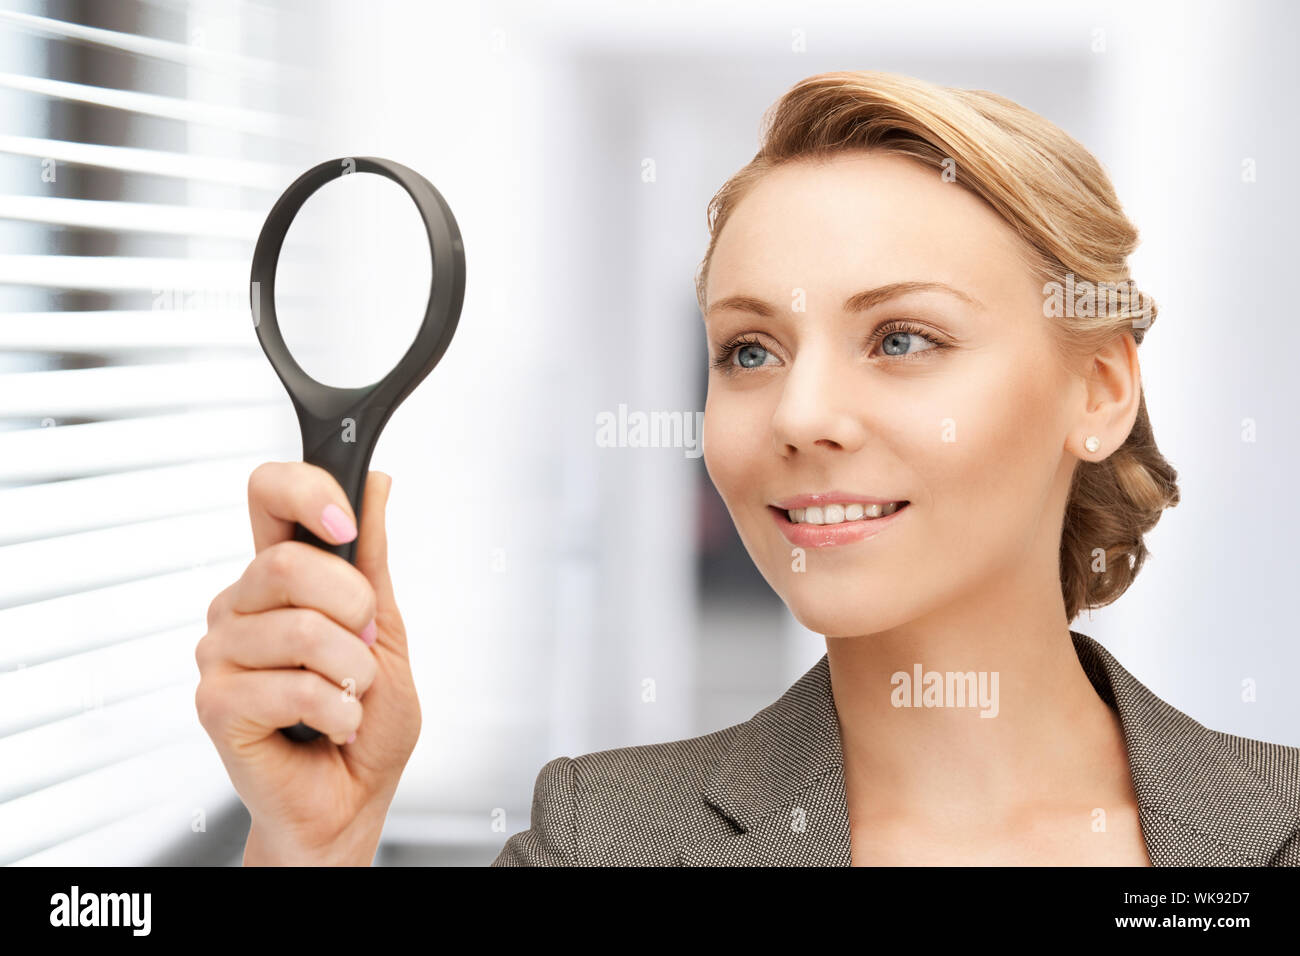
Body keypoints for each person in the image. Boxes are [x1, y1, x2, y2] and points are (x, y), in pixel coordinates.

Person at [196, 70, 1300, 866]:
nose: (800, 413)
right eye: (749, 350)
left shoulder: (1275, 830)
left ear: (1099, 389)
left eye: (903, 338)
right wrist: (312, 841)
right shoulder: (601, 839)